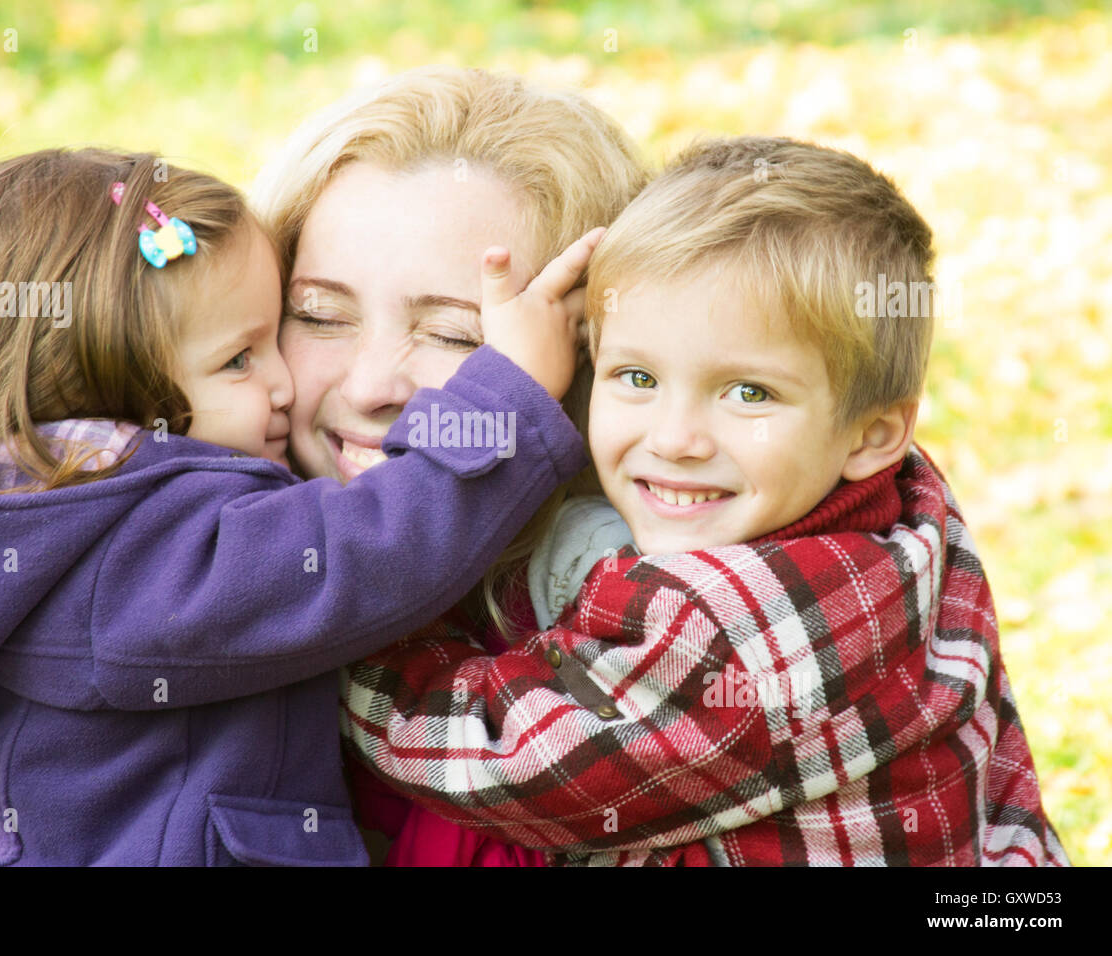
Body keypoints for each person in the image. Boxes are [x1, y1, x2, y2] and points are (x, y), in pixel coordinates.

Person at [0, 146, 601, 865]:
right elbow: (363, 554)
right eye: (238, 360)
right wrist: (508, 397)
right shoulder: (130, 544)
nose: (284, 385)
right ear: (110, 384)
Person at [341, 136, 1070, 866]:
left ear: (871, 433)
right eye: (636, 376)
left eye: (749, 393)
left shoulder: (726, 628)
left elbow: (498, 760)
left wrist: (360, 633)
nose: (676, 437)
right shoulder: (918, 510)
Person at [251, 65, 650, 865]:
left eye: (455, 336)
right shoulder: (179, 560)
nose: (369, 386)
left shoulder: (641, 618)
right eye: (320, 314)